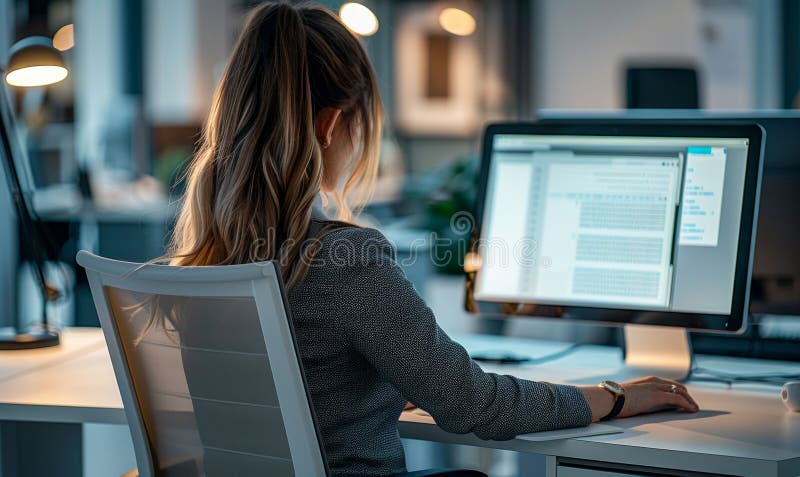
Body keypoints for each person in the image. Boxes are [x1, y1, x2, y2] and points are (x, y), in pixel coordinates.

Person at [165, 3, 699, 476]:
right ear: (331, 126)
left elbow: (301, 386)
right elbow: (477, 406)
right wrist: (613, 397)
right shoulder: (344, 258)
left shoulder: (209, 259)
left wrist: (386, 387)